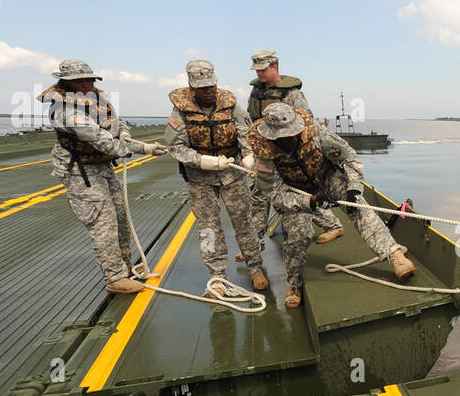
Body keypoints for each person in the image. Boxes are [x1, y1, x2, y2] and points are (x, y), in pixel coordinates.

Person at [247, 102, 413, 309]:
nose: (289, 137)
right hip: (294, 191)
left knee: (359, 207)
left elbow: (349, 157)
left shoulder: (316, 133)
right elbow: (273, 193)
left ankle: (396, 255)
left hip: (326, 176)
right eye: (282, 135)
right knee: (299, 236)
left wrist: (353, 188)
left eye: (291, 132)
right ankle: (294, 284)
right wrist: (310, 201)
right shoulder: (263, 151)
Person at [42, 59, 168, 295]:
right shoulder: (65, 110)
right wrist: (144, 148)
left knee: (121, 216)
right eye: (82, 81)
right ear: (67, 83)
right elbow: (102, 141)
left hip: (102, 167)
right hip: (81, 172)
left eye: (91, 79)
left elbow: (116, 124)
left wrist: (127, 135)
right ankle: (114, 277)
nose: (88, 84)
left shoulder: (95, 99)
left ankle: (125, 268)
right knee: (103, 222)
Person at [166, 60, 269, 297]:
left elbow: (247, 133)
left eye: (211, 85)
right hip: (199, 178)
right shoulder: (180, 110)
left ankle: (255, 267)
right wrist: (202, 161)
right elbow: (176, 146)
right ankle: (217, 276)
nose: (209, 91)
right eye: (202, 88)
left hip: (232, 174)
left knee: (245, 222)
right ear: (192, 87)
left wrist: (250, 156)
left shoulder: (230, 103)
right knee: (208, 229)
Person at [242, 49, 341, 258]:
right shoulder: (256, 93)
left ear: (275, 66)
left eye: (263, 69)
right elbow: (252, 122)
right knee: (260, 193)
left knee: (299, 196)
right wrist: (252, 151)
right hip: (268, 151)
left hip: (291, 154)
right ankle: (256, 243)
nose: (259, 73)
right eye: (256, 70)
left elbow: (307, 123)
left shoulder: (292, 94)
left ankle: (333, 224)